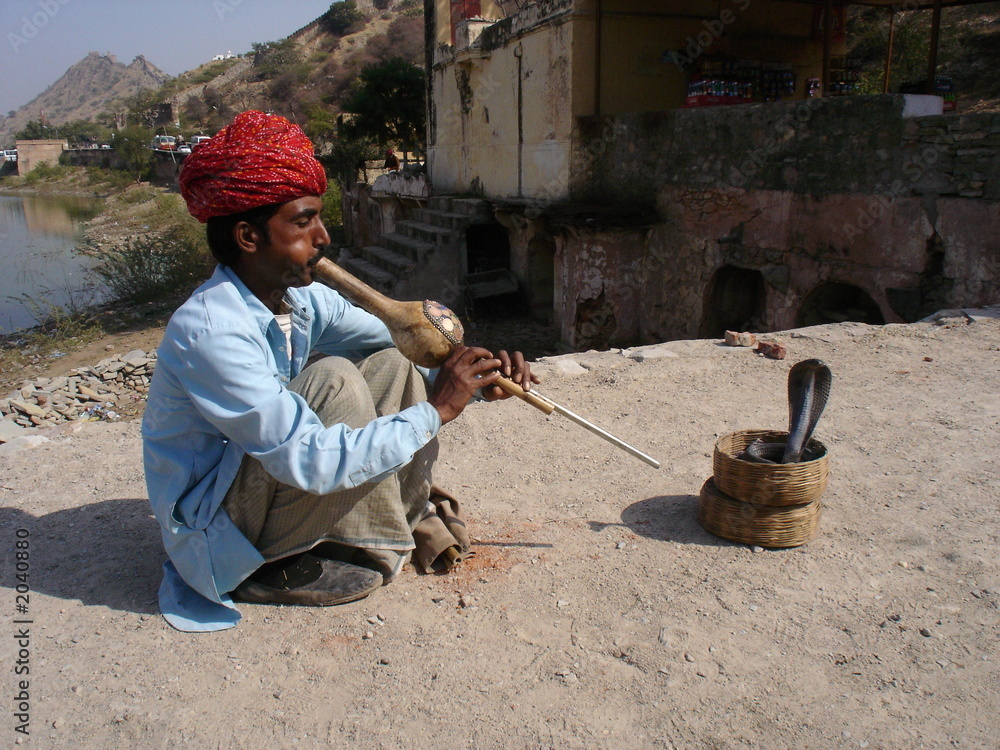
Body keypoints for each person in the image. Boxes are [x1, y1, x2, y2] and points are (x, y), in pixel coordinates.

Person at [142, 111, 537, 632]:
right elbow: (308, 461)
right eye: (303, 222)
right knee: (335, 381)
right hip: (220, 525)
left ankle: (375, 528)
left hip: (261, 479)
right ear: (248, 236)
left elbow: (405, 342)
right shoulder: (212, 329)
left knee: (394, 365)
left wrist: (478, 372)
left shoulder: (301, 301)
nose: (324, 237)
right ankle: (259, 568)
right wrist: (439, 410)